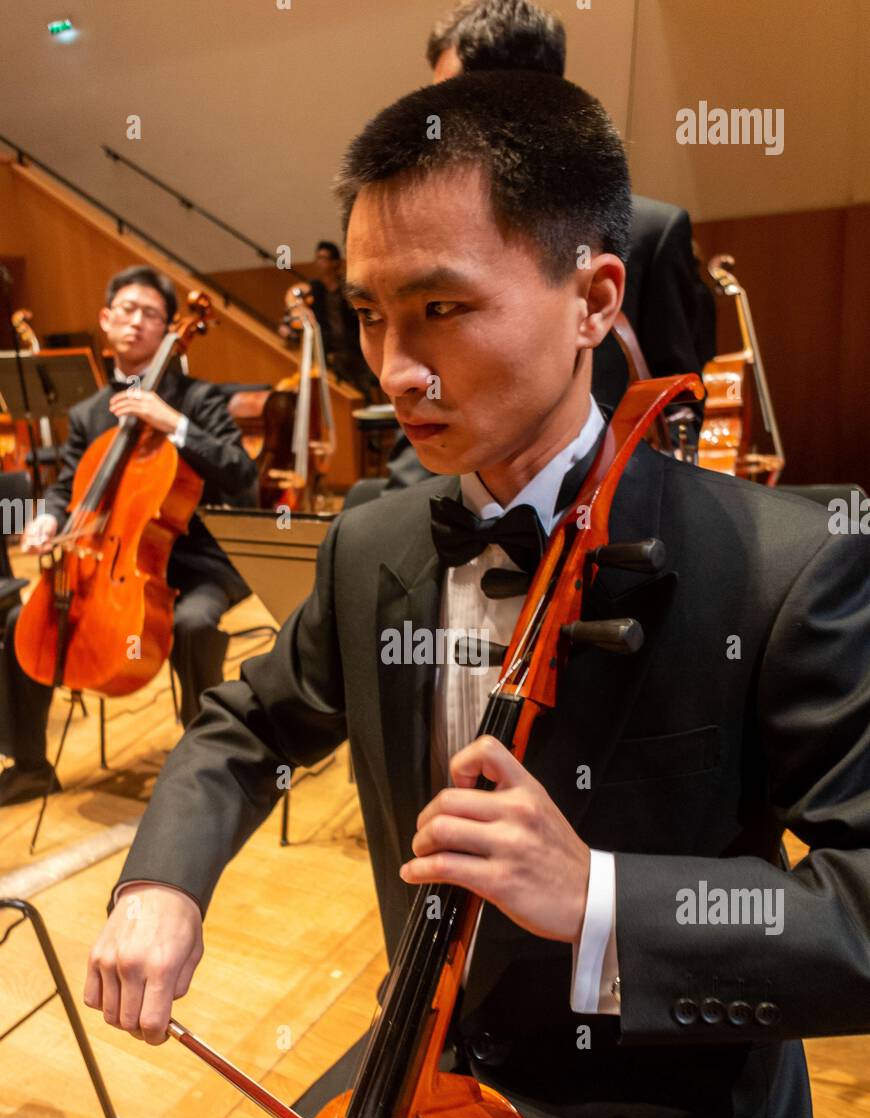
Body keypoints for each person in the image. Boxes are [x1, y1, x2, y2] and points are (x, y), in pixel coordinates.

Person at [86, 73, 869, 1118]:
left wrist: (597, 896)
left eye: (442, 308)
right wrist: (162, 882)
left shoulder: (781, 569)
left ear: (592, 299)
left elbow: (861, 910)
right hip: (419, 1076)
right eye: (368, 316)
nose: (396, 370)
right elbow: (248, 723)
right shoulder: (376, 544)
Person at [377, 0, 715, 499]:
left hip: (606, 523)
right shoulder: (419, 235)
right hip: (445, 506)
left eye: (449, 98)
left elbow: (675, 400)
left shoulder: (649, 231)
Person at [0, 266, 257, 807]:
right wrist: (48, 517)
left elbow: (240, 472)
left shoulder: (198, 399)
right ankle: (29, 765)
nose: (137, 322)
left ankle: (202, 760)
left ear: (169, 331)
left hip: (199, 563)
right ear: (105, 319)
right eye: (127, 310)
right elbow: (68, 487)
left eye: (152, 315)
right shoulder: (92, 413)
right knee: (24, 618)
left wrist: (174, 424)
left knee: (191, 622)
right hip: (116, 563)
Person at [279, 241, 378, 401]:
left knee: (361, 392)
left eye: (323, 258)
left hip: (354, 348)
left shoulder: (348, 287)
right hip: (327, 349)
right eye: (317, 258)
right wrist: (288, 323)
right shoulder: (314, 288)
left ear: (335, 263)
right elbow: (295, 301)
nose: (319, 262)